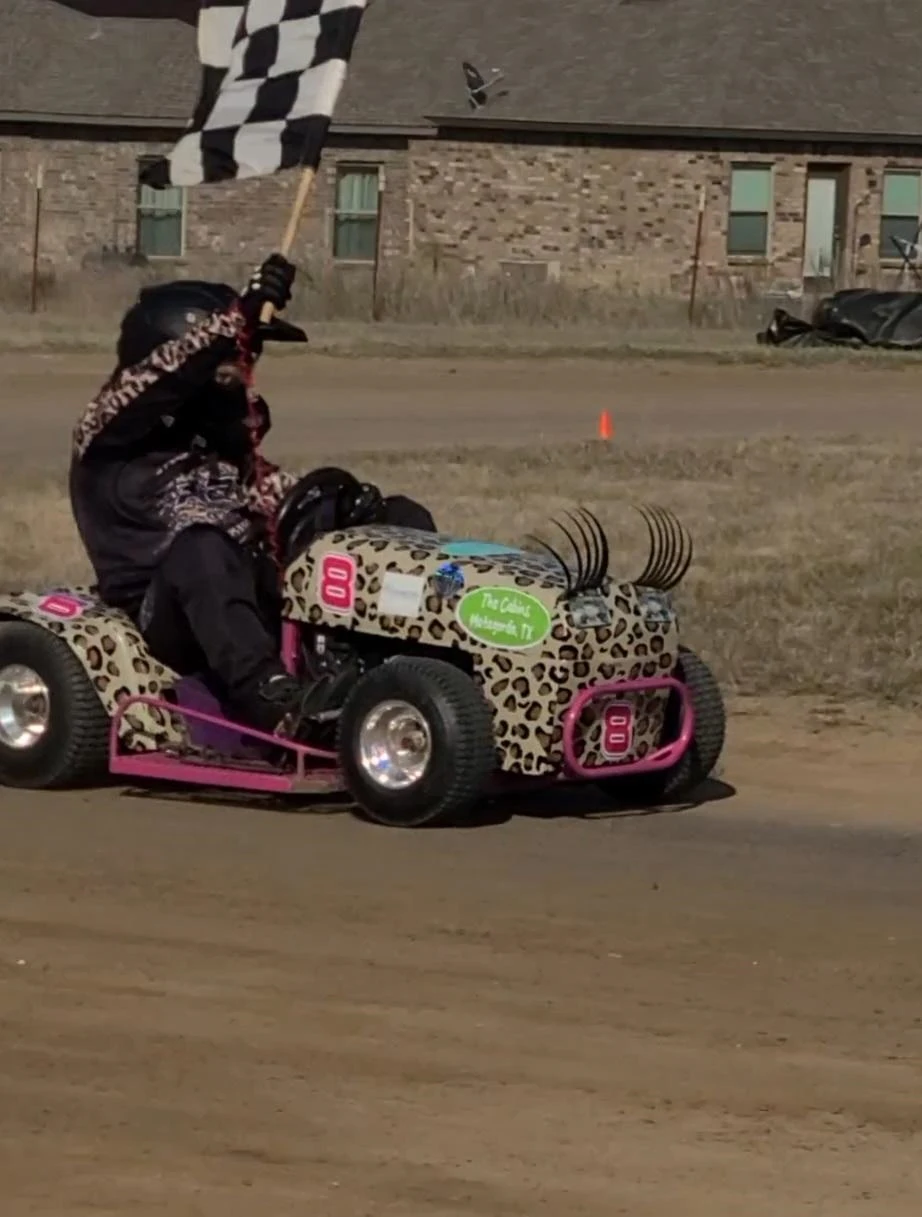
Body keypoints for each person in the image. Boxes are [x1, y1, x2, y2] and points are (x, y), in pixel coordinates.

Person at [69, 253, 357, 739]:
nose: (245, 372)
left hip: (240, 599)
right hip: (162, 618)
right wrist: (235, 320)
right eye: (233, 362)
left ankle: (389, 671)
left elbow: (277, 502)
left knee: (367, 521)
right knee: (202, 546)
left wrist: (342, 511)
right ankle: (273, 703)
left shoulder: (221, 449)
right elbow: (158, 380)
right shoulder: (108, 435)